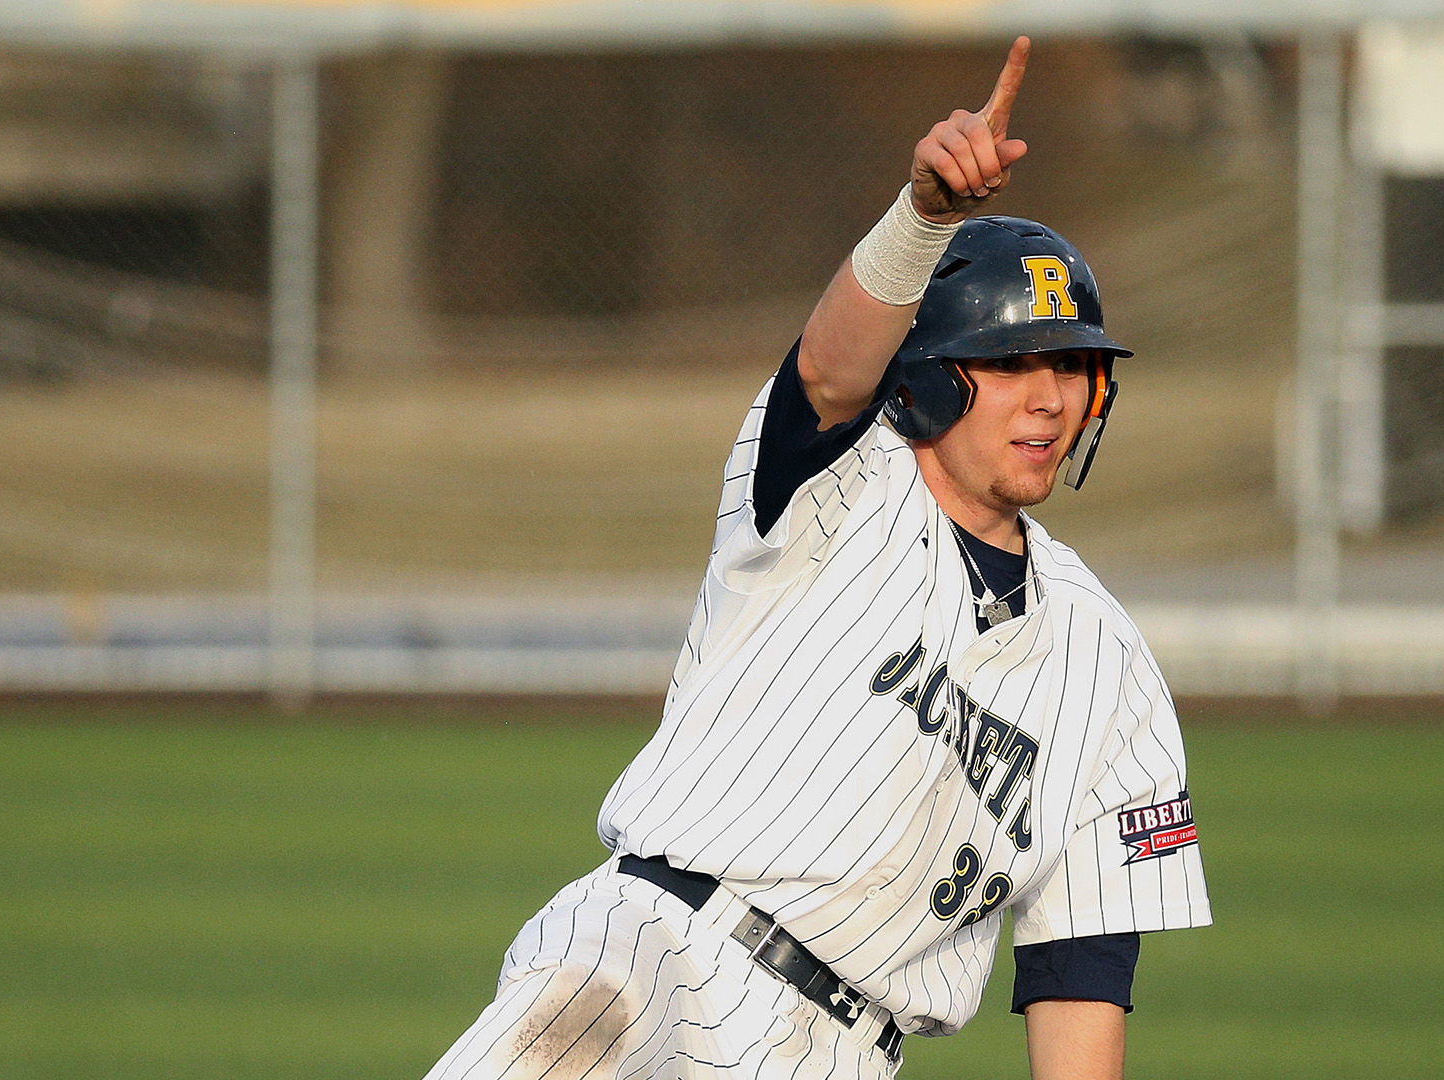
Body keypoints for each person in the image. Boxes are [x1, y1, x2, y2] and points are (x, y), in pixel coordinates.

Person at [424, 36, 1210, 1080]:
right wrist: (925, 216)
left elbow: (1083, 971)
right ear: (928, 379)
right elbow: (833, 376)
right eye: (1012, 361)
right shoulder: (832, 485)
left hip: (841, 1054)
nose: (1052, 397)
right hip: (654, 953)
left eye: (1073, 367)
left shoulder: (1110, 669)